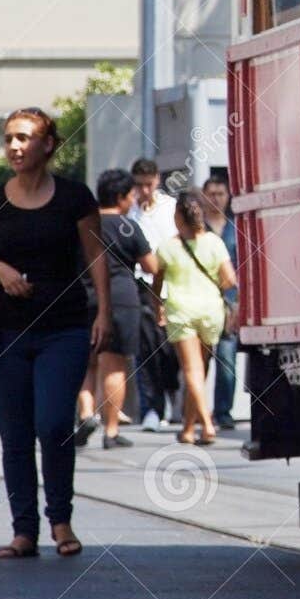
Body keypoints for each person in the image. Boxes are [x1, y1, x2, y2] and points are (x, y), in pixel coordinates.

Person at [0, 109, 110, 558]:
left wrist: (104, 311)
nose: (15, 146)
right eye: (9, 138)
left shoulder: (74, 197)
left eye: (25, 138)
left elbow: (96, 256)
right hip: (4, 333)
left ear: (48, 144)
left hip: (62, 328)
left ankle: (61, 522)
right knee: (16, 431)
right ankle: (24, 530)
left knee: (53, 424)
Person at [74, 170, 158, 450]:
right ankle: (110, 431)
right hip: (120, 299)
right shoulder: (128, 227)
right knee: (115, 364)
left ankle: (86, 414)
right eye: (131, 195)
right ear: (121, 197)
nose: (133, 200)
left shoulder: (83, 225)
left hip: (84, 297)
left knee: (86, 362)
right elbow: (151, 267)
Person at [155, 191, 236, 447]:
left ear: (179, 216)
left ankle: (207, 425)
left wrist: (159, 305)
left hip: (182, 311)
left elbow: (157, 282)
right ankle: (189, 430)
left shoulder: (169, 246)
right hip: (211, 311)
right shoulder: (214, 242)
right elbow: (230, 279)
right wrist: (214, 290)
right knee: (200, 372)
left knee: (191, 371)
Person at [130, 158, 179, 432]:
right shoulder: (130, 212)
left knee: (169, 349)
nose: (144, 191)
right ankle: (151, 407)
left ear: (157, 181)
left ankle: (171, 392)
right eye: (139, 186)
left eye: (148, 185)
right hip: (142, 284)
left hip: (170, 286)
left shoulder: (170, 208)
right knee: (145, 349)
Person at [202, 171, 239, 430]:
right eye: (211, 194)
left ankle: (223, 411)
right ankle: (196, 412)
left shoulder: (237, 228)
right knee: (198, 361)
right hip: (200, 300)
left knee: (227, 359)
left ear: (228, 197)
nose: (215, 198)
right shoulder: (196, 227)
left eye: (220, 194)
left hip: (229, 303)